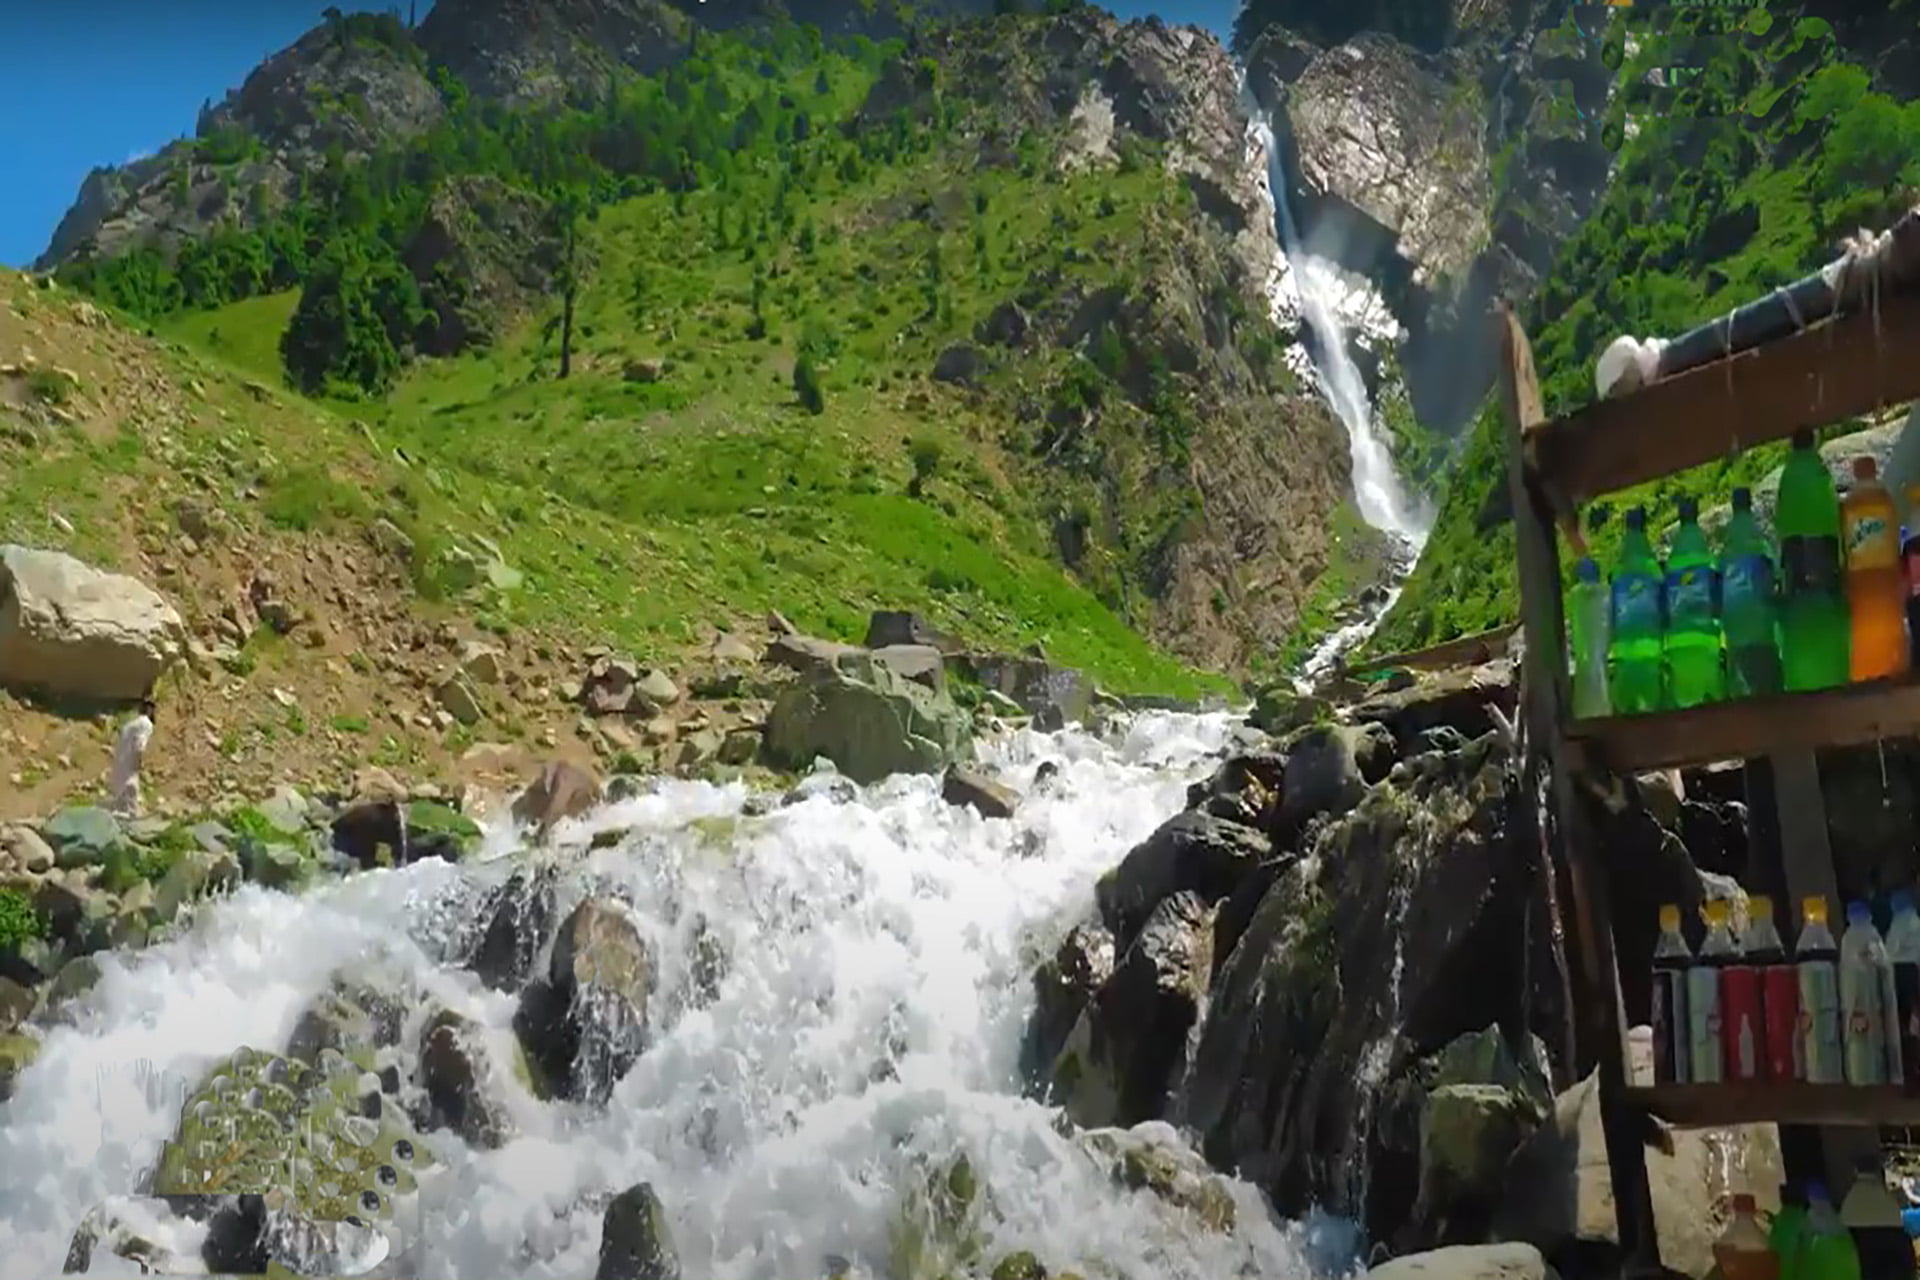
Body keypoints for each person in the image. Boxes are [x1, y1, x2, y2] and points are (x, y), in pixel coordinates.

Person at [108, 695, 156, 817]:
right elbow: (139, 745)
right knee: (131, 788)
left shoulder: (131, 724)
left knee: (122, 791)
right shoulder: (146, 724)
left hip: (119, 762)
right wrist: (138, 763)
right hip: (129, 762)